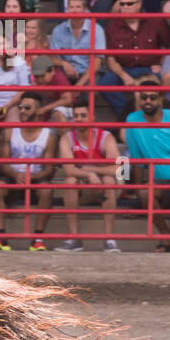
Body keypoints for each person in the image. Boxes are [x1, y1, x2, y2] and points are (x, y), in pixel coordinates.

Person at [0, 92, 58, 252]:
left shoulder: (48, 135)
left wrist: (31, 177)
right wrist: (16, 175)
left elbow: (49, 169)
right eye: (20, 107)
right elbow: (3, 162)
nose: (22, 111)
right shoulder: (9, 131)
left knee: (47, 190)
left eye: (27, 108)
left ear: (39, 110)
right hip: (12, 175)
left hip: (36, 177)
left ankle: (38, 239)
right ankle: (1, 237)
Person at [55, 103, 122, 252]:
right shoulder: (67, 138)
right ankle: (74, 238)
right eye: (76, 116)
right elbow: (68, 170)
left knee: (109, 180)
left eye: (83, 116)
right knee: (70, 181)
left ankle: (109, 239)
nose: (79, 119)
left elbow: (119, 169)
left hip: (103, 189)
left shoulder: (105, 136)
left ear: (92, 117)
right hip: (83, 189)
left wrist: (92, 170)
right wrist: (89, 174)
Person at [99, 0, 170, 115]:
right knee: (105, 84)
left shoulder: (155, 22)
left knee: (165, 81)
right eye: (122, 4)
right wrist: (123, 76)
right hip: (123, 68)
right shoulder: (112, 26)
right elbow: (110, 59)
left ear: (139, 4)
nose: (125, 7)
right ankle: (129, 114)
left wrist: (161, 65)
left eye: (129, 4)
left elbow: (168, 46)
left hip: (150, 68)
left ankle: (159, 118)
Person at [125, 77, 170, 245]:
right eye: (143, 97)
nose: (147, 101)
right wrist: (135, 189)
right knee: (144, 191)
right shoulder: (132, 119)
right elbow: (136, 158)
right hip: (158, 179)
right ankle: (167, 238)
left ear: (161, 99)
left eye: (152, 97)